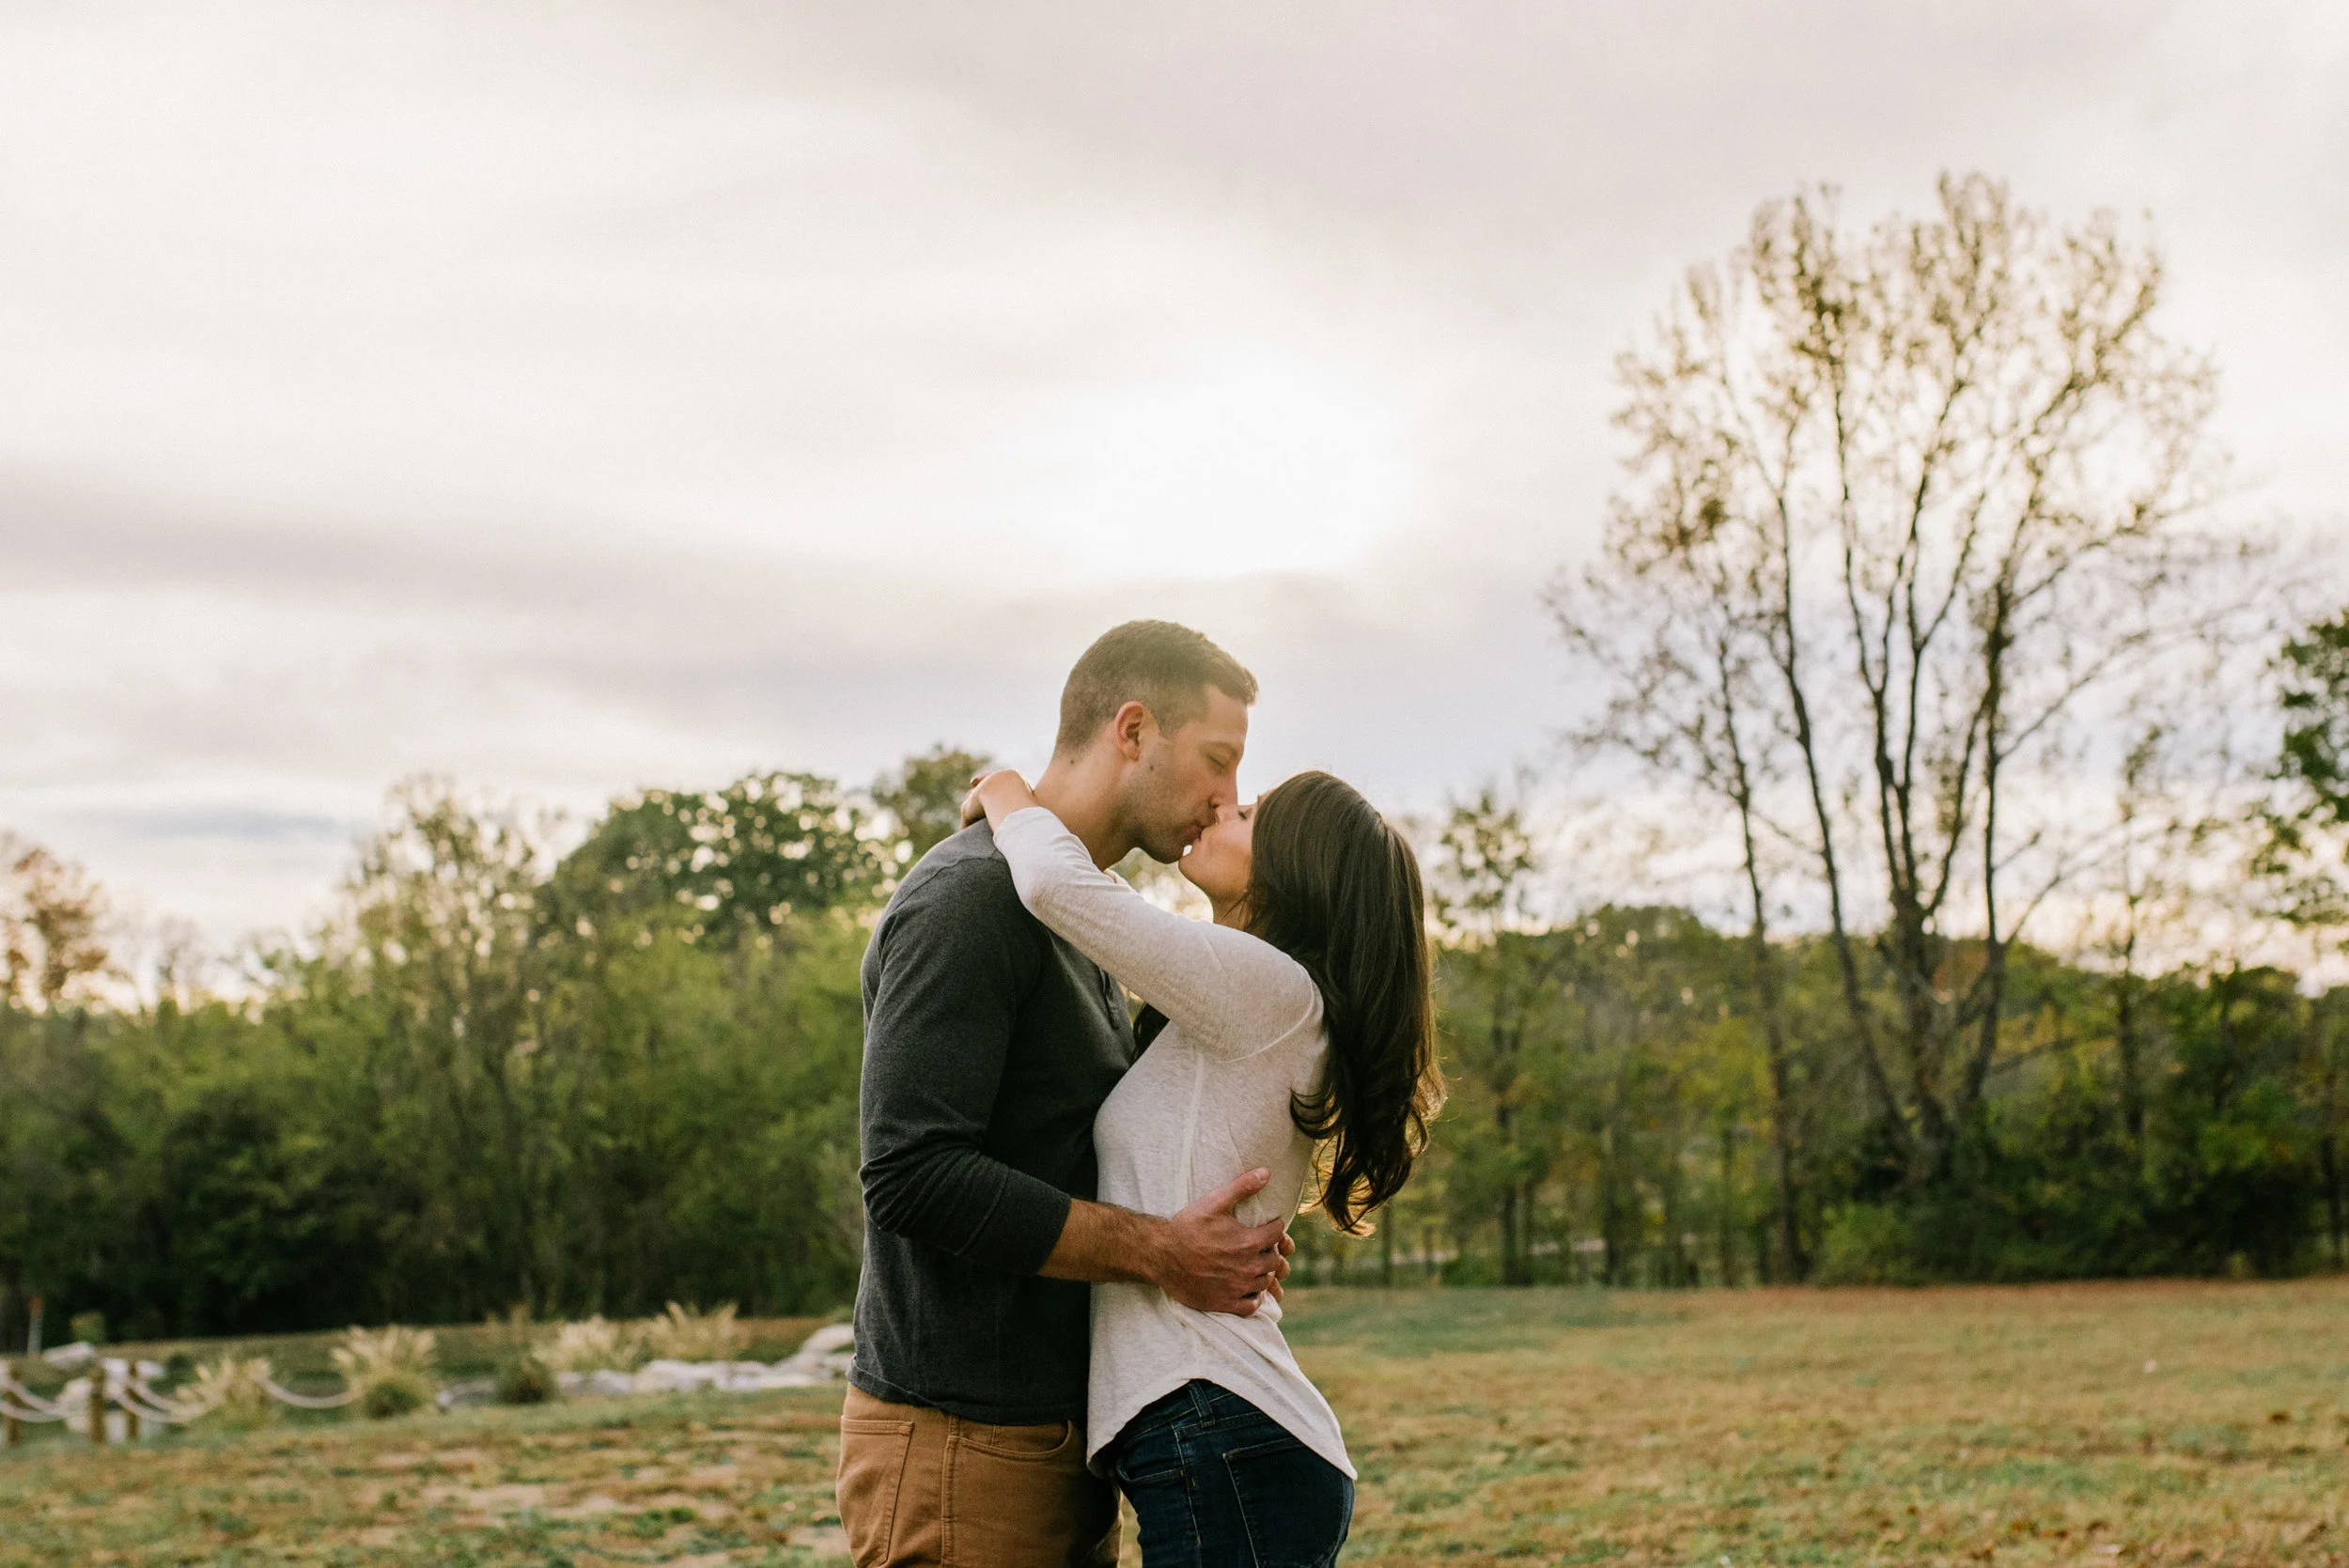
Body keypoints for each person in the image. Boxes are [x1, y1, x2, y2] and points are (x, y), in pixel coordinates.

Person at [839, 620, 1298, 1568]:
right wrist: (1163, 1252)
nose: (1227, 796)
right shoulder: (968, 900)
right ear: (1132, 731)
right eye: (1217, 758)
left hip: (1051, 1441)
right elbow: (910, 1174)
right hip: (960, 1442)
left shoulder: (1083, 924)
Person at [963, 762, 1444, 1568]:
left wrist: (1005, 790)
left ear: (1294, 872)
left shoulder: (1271, 991)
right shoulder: (1250, 1005)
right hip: (1219, 1436)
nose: (1225, 803)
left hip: (1218, 1428)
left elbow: (1058, 886)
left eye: (1251, 812)